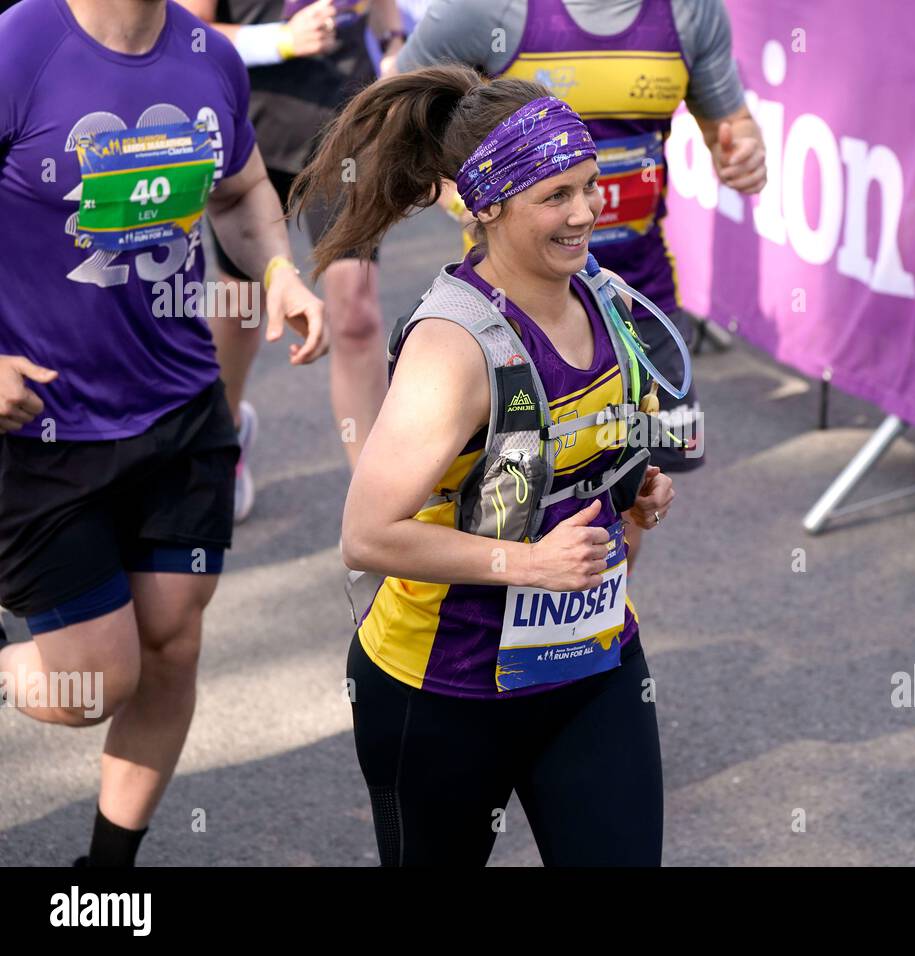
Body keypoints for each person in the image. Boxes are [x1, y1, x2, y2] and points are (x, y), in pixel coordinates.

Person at [294, 62, 676, 865]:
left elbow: (575, 464)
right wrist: (528, 562)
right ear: (489, 204)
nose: (586, 213)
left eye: (589, 184)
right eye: (556, 197)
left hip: (592, 662)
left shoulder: (604, 298)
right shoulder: (453, 346)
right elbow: (366, 535)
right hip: (441, 690)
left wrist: (629, 492)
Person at [0, 0, 327, 866]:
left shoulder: (209, 57)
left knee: (172, 639)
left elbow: (242, 188)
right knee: (90, 686)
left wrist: (281, 273)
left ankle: (107, 875)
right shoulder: (18, 45)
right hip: (43, 426)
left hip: (182, 409)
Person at [395, 0, 766, 565]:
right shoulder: (488, 10)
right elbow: (396, 115)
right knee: (505, 511)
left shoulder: (689, 12)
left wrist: (744, 151)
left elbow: (729, 126)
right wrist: (464, 194)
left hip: (634, 303)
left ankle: (592, 643)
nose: (582, 211)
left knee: (624, 501)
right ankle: (481, 640)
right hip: (514, 314)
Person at [179, 0, 407, 521]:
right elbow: (184, 29)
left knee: (357, 312)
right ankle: (227, 435)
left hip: (349, 126)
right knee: (242, 306)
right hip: (253, 129)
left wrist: (394, 45)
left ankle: (376, 500)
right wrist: (279, 40)